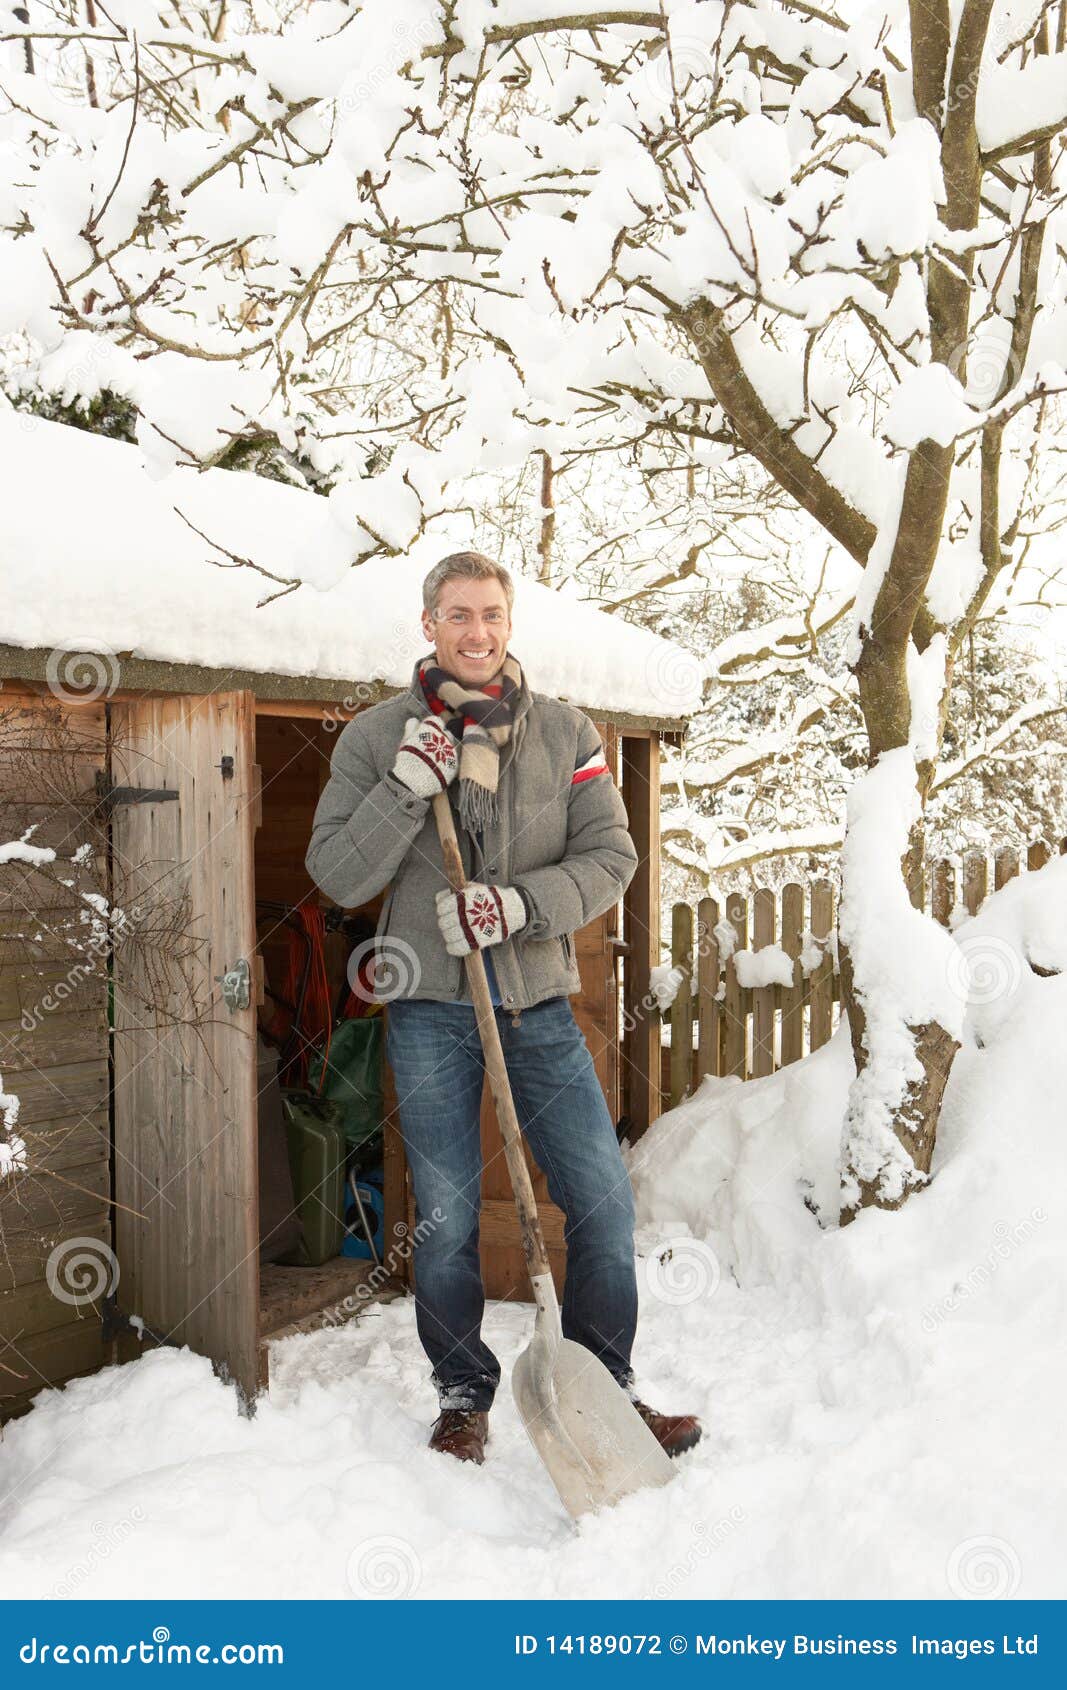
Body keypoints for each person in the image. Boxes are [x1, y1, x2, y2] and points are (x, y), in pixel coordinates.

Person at [305, 550, 702, 1466]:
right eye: (456, 615)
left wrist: (516, 908)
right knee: (442, 1213)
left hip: (535, 1001)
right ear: (428, 624)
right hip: (429, 1007)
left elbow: (612, 858)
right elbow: (336, 874)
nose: (474, 632)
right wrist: (404, 792)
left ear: (509, 623)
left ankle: (608, 1390)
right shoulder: (373, 738)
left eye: (490, 614)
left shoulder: (566, 735)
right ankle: (461, 1396)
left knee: (599, 1204)